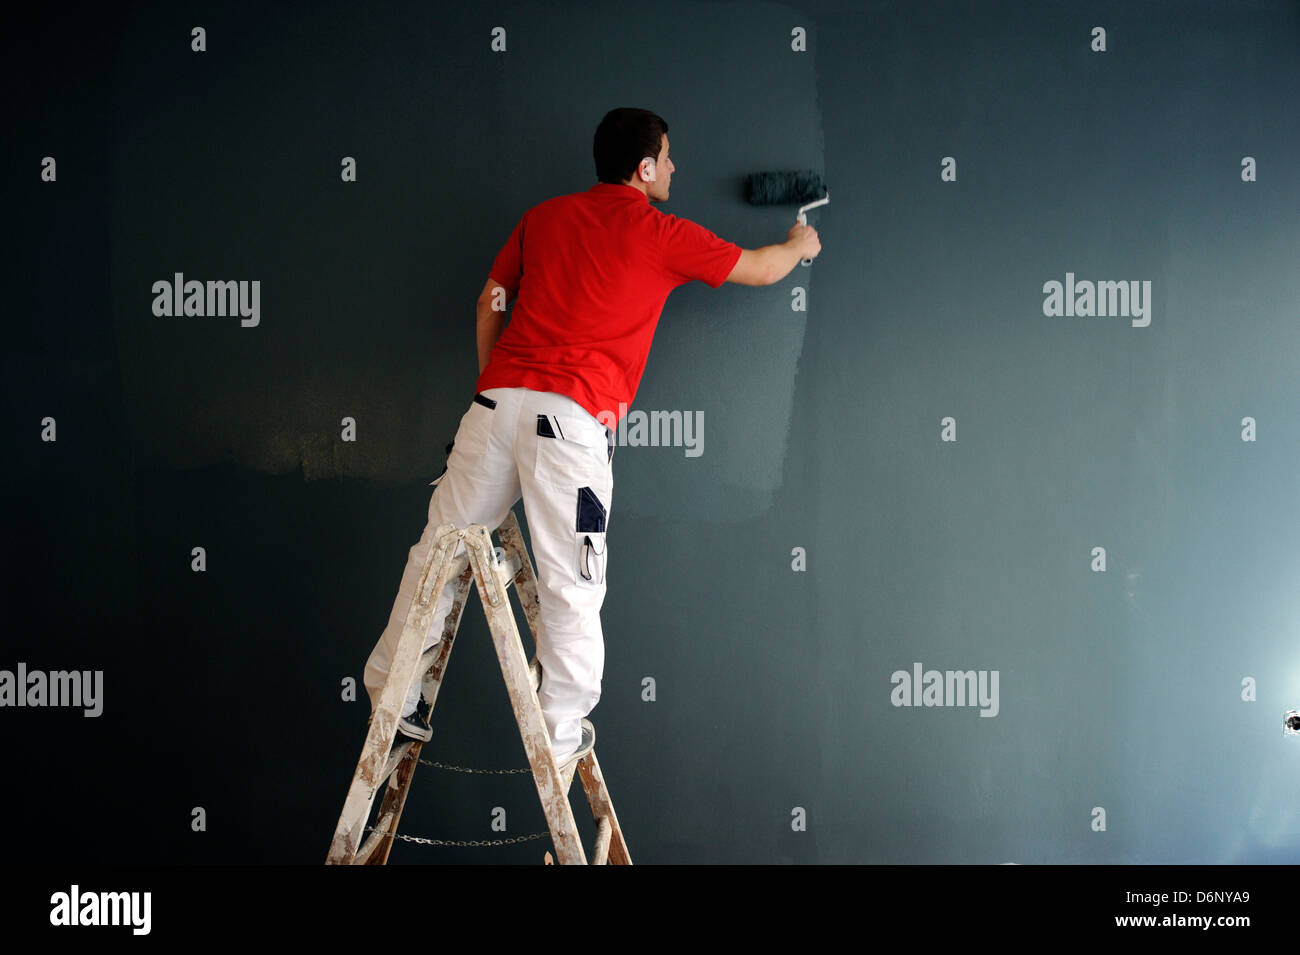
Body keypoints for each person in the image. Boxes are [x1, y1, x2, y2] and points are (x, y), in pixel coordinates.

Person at [362, 107, 822, 774]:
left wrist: (493, 381)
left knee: (437, 552)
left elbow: (492, 296)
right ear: (643, 168)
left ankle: (390, 693)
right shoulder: (660, 231)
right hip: (570, 425)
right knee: (573, 583)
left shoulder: (543, 217)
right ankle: (559, 731)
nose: (674, 168)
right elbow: (759, 268)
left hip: (493, 410)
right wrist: (800, 244)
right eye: (666, 157)